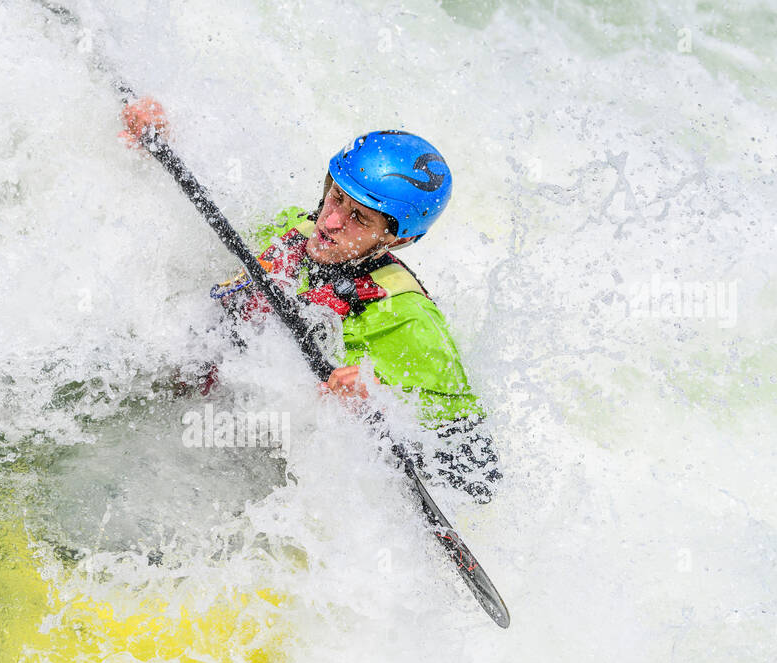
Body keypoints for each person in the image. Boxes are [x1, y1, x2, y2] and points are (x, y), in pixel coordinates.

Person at [121, 98, 501, 503]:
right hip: (188, 402)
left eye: (359, 218)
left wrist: (379, 408)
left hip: (266, 475)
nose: (330, 222)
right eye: (336, 197)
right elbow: (219, 203)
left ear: (398, 238)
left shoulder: (408, 320)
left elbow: (479, 475)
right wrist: (160, 138)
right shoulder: (296, 228)